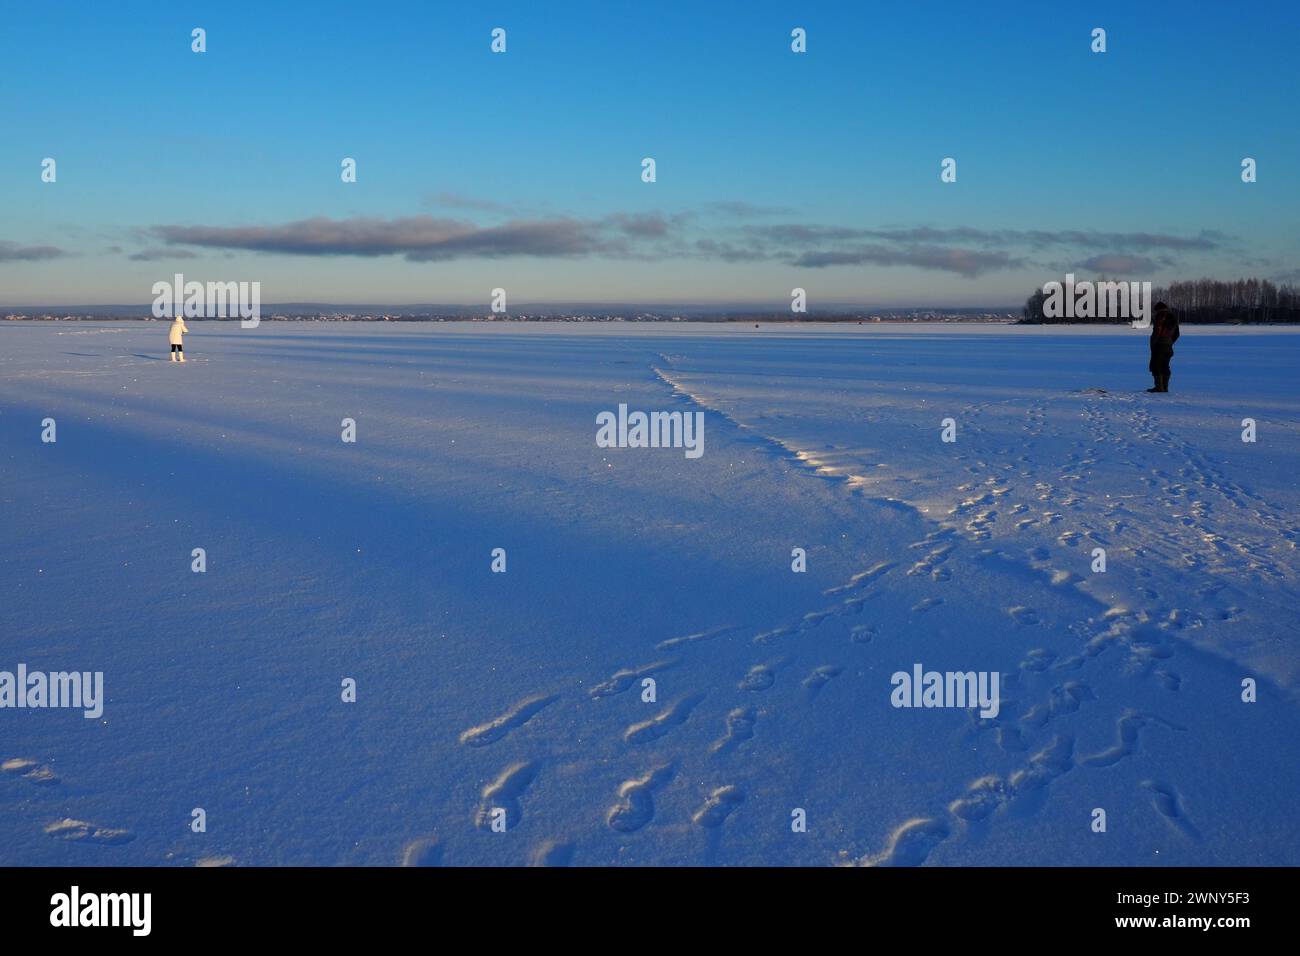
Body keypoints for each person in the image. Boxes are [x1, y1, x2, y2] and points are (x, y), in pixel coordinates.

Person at [1147, 302, 1179, 392]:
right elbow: (1177, 334)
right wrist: (1169, 342)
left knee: (1156, 365)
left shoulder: (1160, 316)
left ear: (1158, 309)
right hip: (1168, 346)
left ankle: (1159, 387)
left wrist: (1154, 343)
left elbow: (1157, 331)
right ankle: (1165, 387)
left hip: (1159, 345)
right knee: (1165, 366)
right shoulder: (1173, 317)